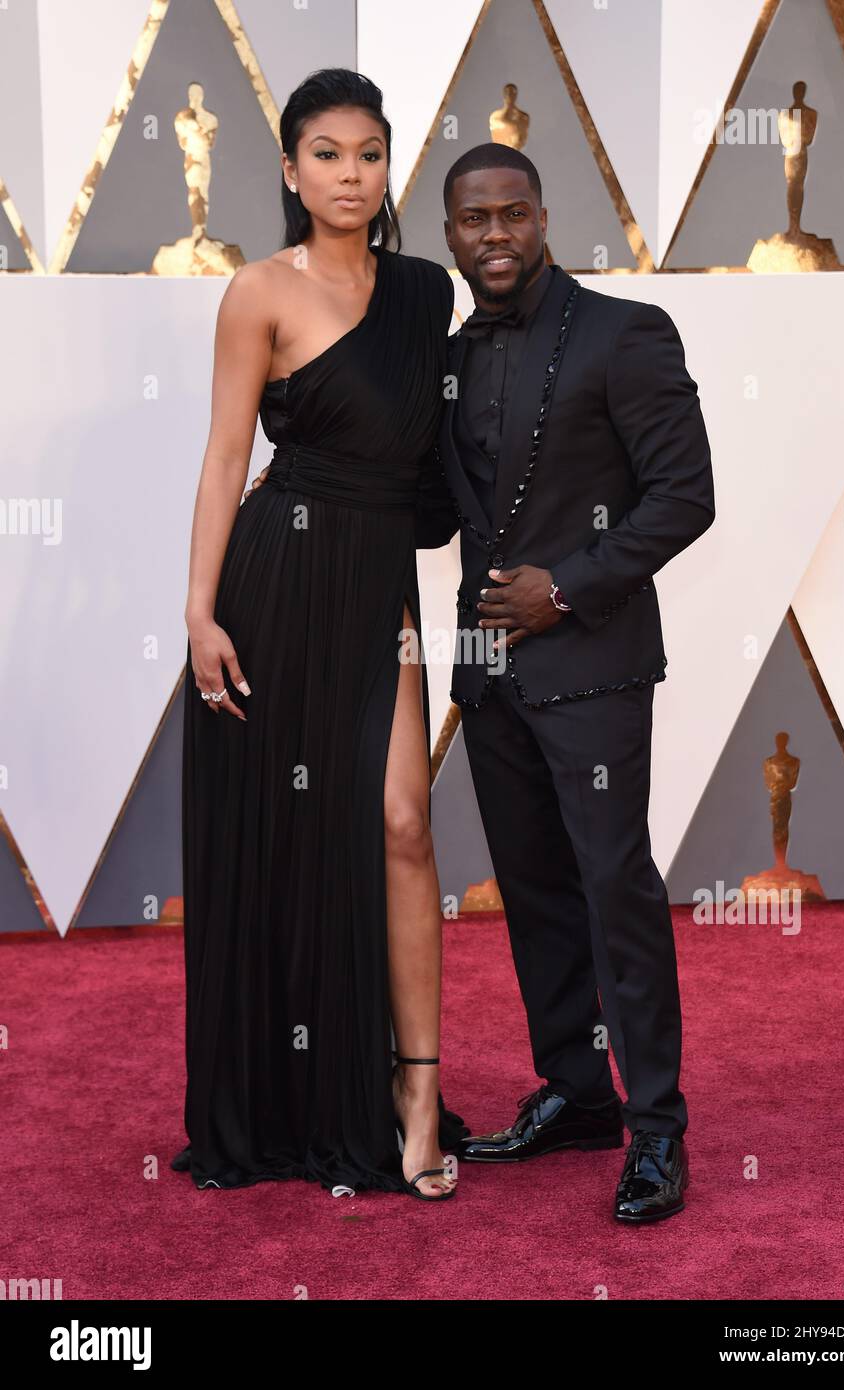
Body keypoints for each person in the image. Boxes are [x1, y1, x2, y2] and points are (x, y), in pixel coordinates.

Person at [171, 69, 468, 1202]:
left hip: (377, 584)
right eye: (328, 154)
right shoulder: (256, 290)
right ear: (292, 169)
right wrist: (200, 612)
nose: (352, 174)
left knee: (400, 823)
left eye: (370, 153)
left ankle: (414, 1089)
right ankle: (289, 1095)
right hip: (277, 581)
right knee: (283, 838)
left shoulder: (424, 292)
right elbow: (223, 458)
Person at [415, 144, 716, 1222]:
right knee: (534, 893)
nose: (493, 234)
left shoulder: (622, 332)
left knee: (613, 890)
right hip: (489, 670)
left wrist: (570, 588)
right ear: (446, 233)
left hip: (589, 664)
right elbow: (438, 516)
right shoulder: (449, 357)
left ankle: (658, 1127)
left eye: (512, 214)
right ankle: (578, 1092)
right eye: (471, 219)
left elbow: (685, 496)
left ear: (542, 218)